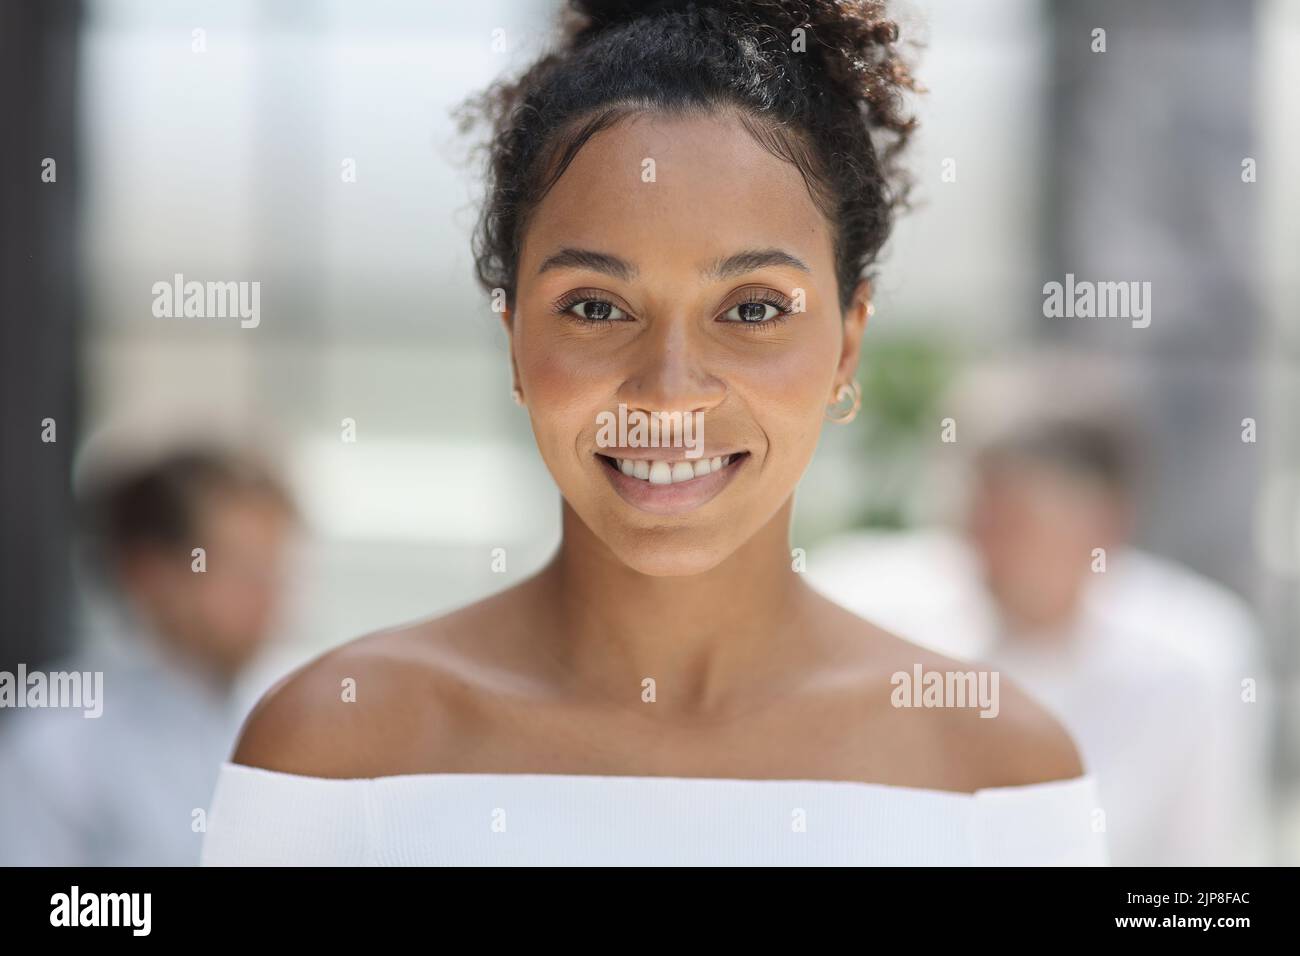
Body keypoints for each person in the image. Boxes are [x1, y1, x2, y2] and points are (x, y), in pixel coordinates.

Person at [201, 0, 1106, 866]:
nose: (668, 394)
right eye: (597, 307)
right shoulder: (336, 748)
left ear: (847, 347)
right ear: (514, 338)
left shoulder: (997, 774)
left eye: (752, 309)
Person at [0, 449, 299, 865]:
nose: (269, 598)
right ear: (151, 574)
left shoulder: (298, 721)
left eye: (275, 571)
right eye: (242, 570)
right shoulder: (57, 740)